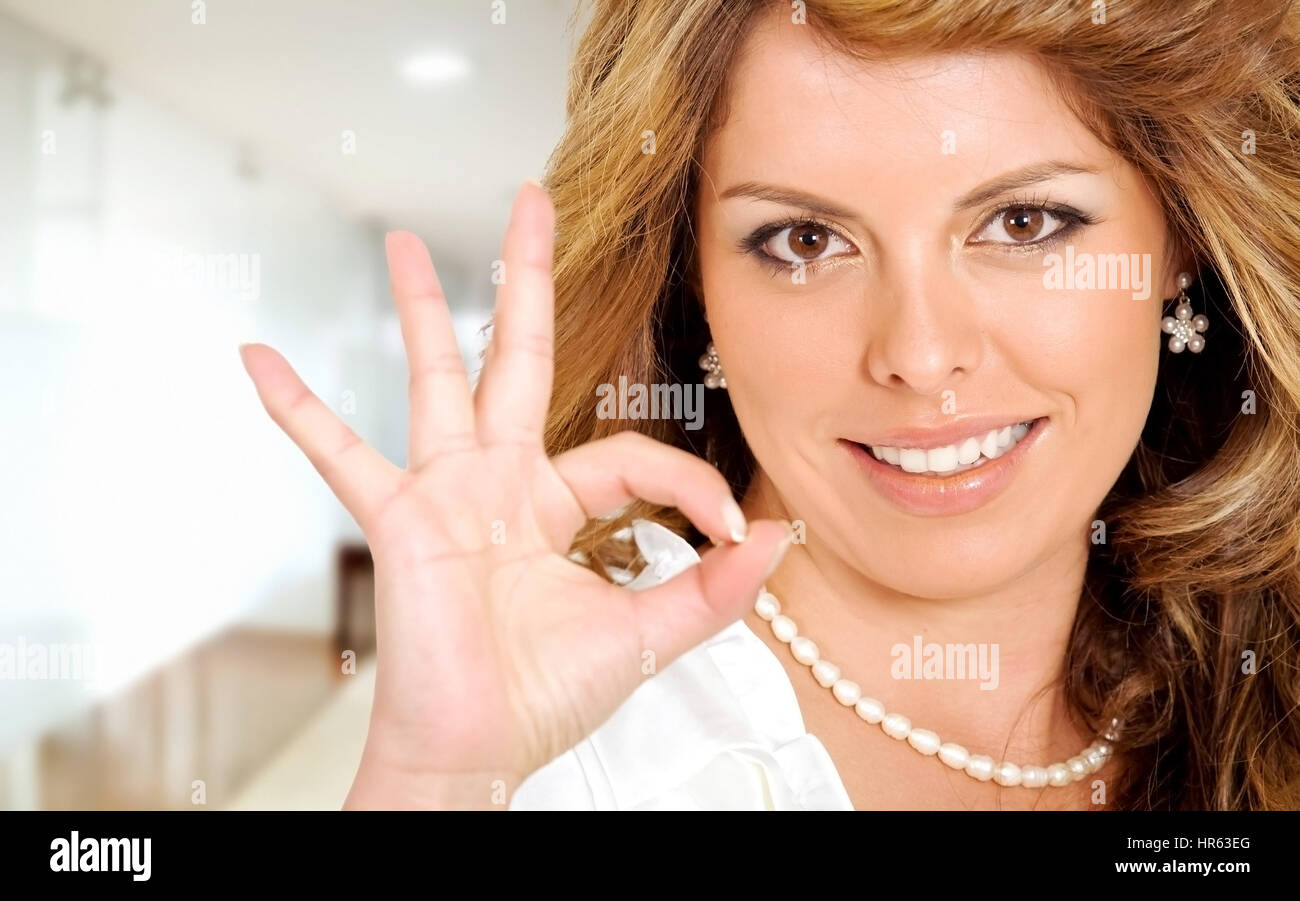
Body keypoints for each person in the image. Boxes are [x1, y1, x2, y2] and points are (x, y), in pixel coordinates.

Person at [239, 0, 1300, 810]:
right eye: (803, 241)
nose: (920, 356)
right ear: (692, 276)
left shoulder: (1260, 654)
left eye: (1024, 222)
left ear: (1175, 240)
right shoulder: (579, 742)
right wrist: (433, 780)